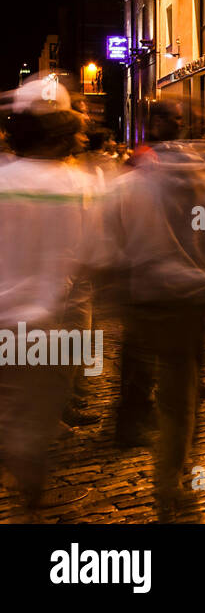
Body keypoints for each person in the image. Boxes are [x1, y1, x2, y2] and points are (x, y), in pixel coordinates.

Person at [104, 99, 205, 521]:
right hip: (187, 301)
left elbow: (108, 242)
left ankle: (135, 426)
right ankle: (169, 478)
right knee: (180, 393)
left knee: (142, 366)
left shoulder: (130, 184)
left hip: (146, 296)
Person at [0, 76, 94, 510]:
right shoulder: (69, 185)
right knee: (35, 411)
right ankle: (29, 485)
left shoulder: (4, 178)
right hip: (40, 321)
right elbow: (80, 255)